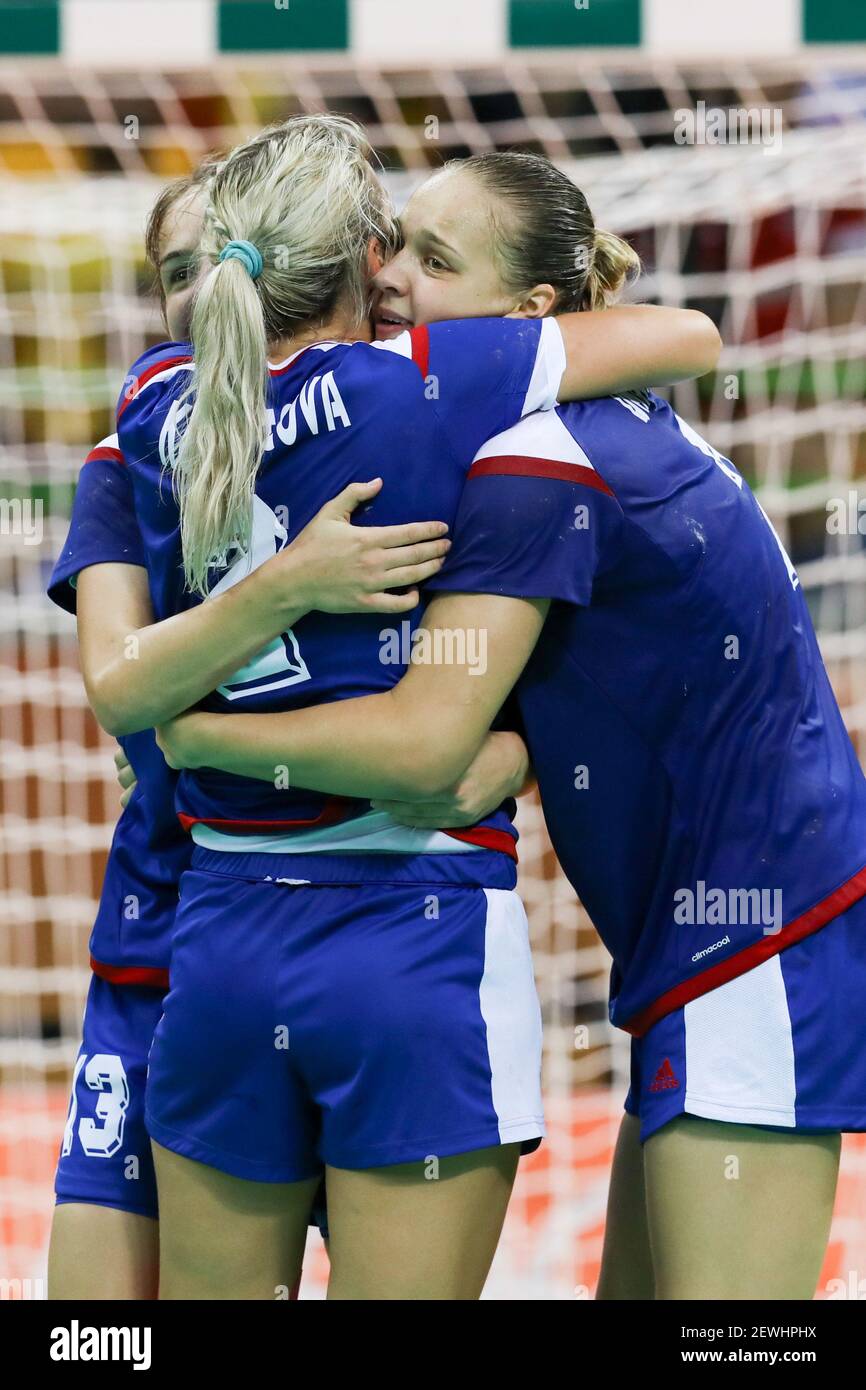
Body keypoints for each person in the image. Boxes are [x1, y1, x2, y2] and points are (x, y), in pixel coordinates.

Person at [161, 150, 866, 1302]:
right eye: (395, 245)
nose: (389, 278)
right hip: (698, 931)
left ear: (529, 310)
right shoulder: (564, 417)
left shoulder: (536, 459)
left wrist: (194, 732)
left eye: (435, 263)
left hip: (759, 924)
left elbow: (427, 750)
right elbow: (527, 730)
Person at [46, 159, 452, 1299]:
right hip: (173, 921)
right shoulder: (134, 447)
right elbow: (123, 686)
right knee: (96, 1325)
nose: (197, 290)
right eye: (175, 270)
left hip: (348, 914)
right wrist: (287, 582)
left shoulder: (382, 410)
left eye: (216, 260)